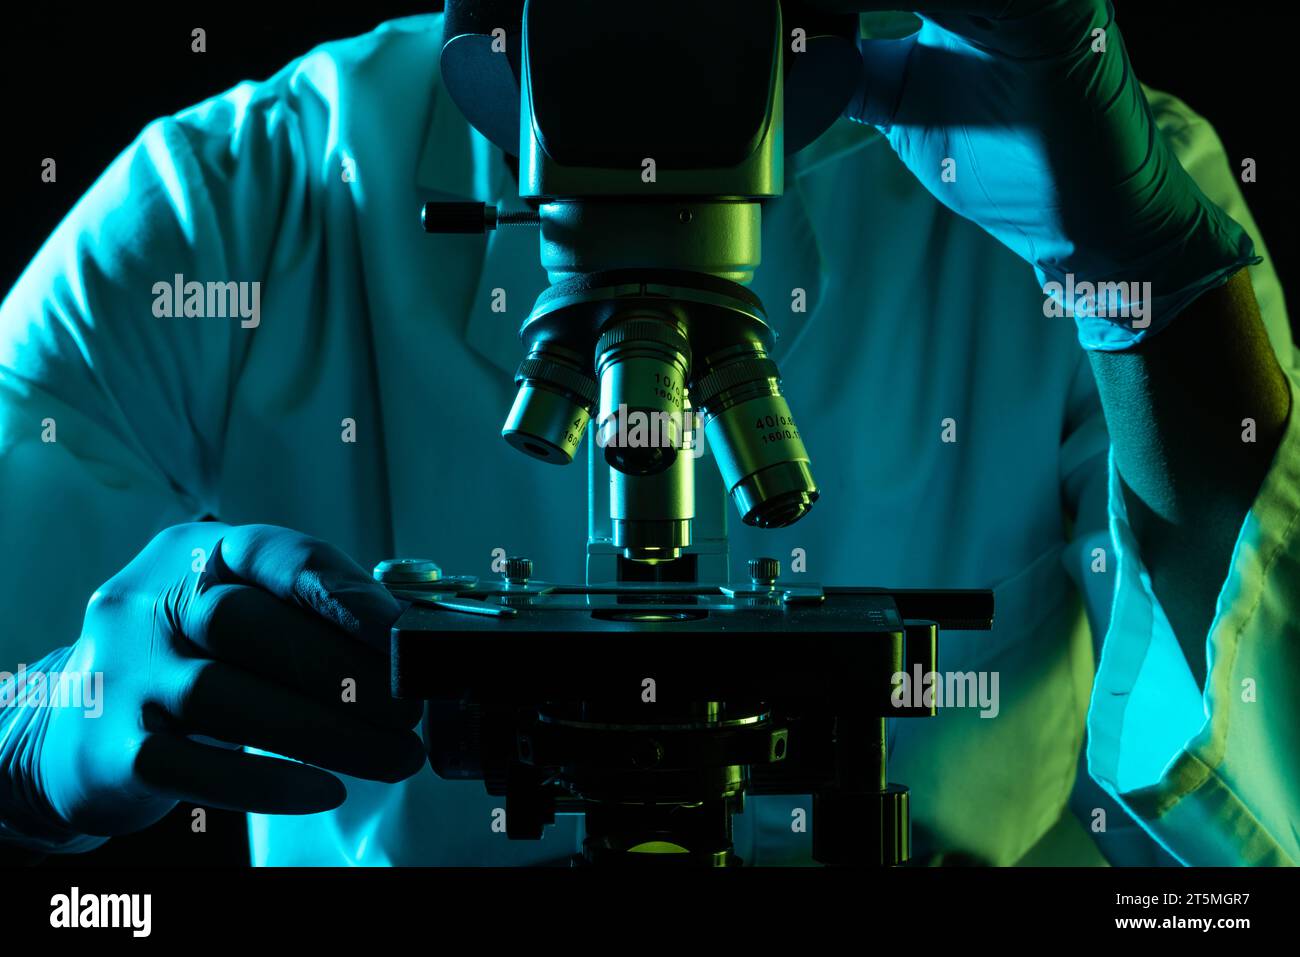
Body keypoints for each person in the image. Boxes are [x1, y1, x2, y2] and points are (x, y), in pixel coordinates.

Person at [1, 3, 1296, 867]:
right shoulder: (237, 198)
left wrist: (1148, 293)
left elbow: (1258, 818)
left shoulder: (1093, 169)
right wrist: (46, 727)